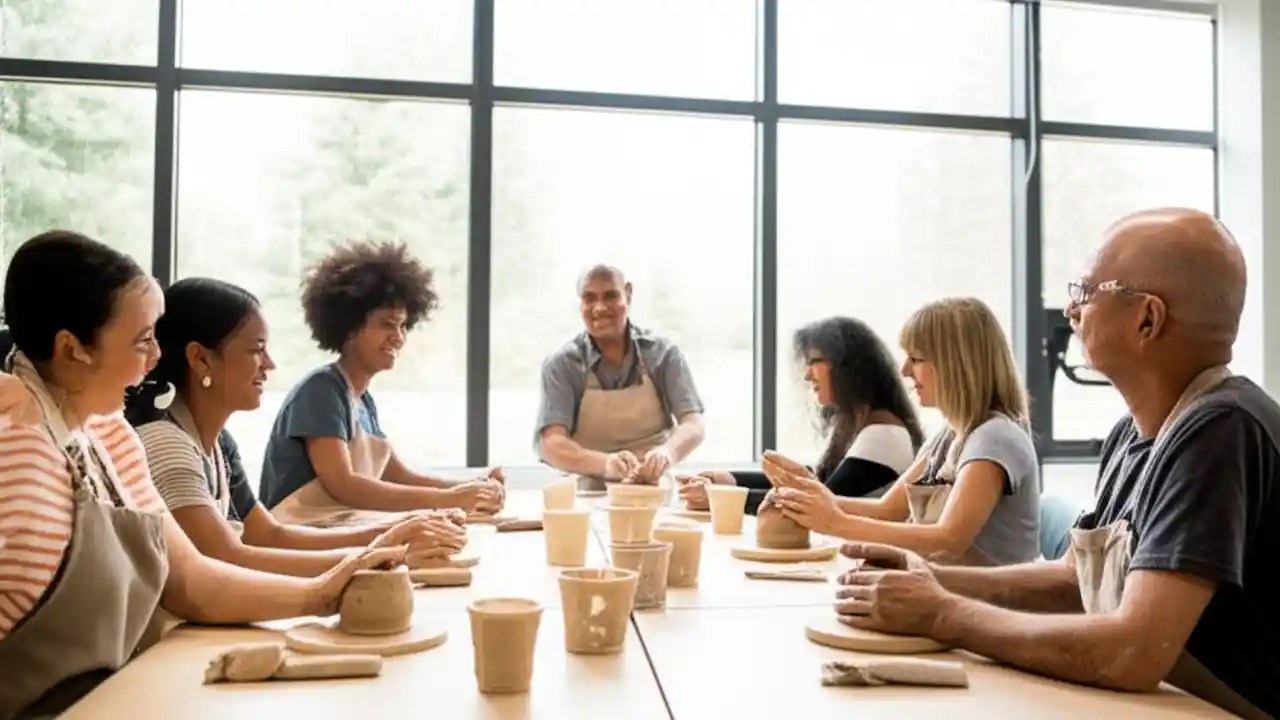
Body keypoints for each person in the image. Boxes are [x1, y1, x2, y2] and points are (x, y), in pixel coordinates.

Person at [834, 209, 1277, 719]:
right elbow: (1075, 581)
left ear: (1147, 319)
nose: (1070, 308)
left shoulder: (1223, 429)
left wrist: (944, 614)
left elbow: (1133, 650)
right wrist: (931, 577)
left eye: (1087, 292)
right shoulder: (1132, 435)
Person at [0, 231, 400, 717]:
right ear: (71, 349)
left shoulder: (113, 437)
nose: (154, 360)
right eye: (143, 340)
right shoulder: (14, 451)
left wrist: (322, 593)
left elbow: (190, 580)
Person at [128, 278, 467, 577]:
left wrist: (396, 533)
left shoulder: (219, 444)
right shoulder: (167, 444)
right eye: (257, 349)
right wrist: (386, 553)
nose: (270, 364)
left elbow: (269, 535)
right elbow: (228, 558)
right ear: (200, 359)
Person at [764, 298, 1041, 566]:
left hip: (993, 605)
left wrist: (836, 522)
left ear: (956, 366)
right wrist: (812, 496)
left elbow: (949, 538)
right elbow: (889, 509)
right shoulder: (950, 436)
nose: (905, 370)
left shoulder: (995, 438)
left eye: (916, 359)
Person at [258, 241, 503, 526]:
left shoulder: (362, 400)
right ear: (349, 327)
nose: (398, 336)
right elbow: (344, 485)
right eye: (387, 324)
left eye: (403, 326)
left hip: (336, 527)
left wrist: (474, 485)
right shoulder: (321, 390)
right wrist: (449, 499)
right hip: (297, 536)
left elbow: (400, 476)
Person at [678, 316, 923, 514]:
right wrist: (730, 479)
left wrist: (722, 498)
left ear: (849, 368)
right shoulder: (863, 424)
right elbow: (817, 480)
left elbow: (820, 502)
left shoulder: (883, 434)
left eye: (815, 361)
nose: (807, 375)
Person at [535, 264, 706, 490]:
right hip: (586, 491)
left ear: (628, 294)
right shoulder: (562, 365)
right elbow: (551, 444)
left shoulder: (663, 355)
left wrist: (668, 452)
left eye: (610, 296)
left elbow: (693, 423)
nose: (600, 307)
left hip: (653, 488)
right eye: (589, 298)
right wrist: (605, 464)